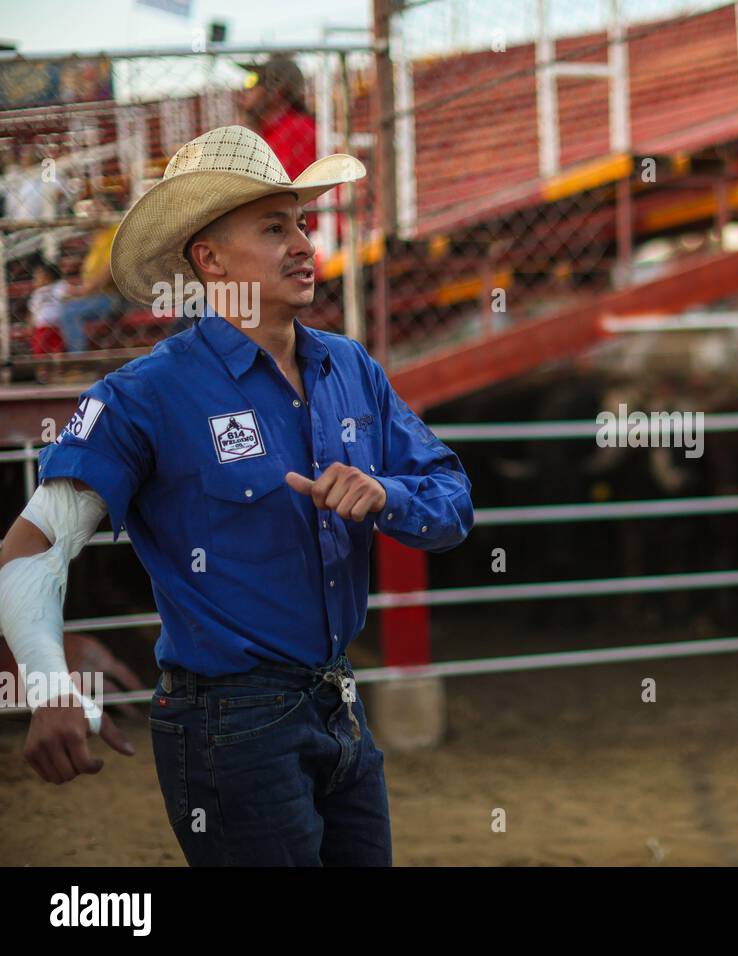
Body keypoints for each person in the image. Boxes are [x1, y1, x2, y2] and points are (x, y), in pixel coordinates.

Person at [0, 125, 474, 866]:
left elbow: (452, 498)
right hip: (227, 724)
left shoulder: (350, 367)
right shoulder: (148, 393)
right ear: (209, 258)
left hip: (338, 705)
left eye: (302, 223)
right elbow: (32, 544)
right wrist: (49, 682)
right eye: (273, 226)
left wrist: (382, 493)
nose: (302, 243)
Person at [57, 196, 125, 352]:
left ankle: (78, 359)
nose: (93, 213)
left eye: (99, 209)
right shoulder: (98, 237)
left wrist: (81, 291)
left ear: (110, 211)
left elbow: (105, 274)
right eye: (92, 210)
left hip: (110, 297)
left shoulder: (114, 233)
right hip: (95, 295)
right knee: (59, 308)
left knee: (69, 313)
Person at [26, 255, 70, 357]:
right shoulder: (37, 293)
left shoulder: (58, 286)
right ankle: (43, 371)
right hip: (41, 327)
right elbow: (32, 311)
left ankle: (57, 369)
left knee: (58, 350)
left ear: (48, 277)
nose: (35, 280)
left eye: (37, 276)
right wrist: (30, 325)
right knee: (40, 352)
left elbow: (66, 298)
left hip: (57, 326)